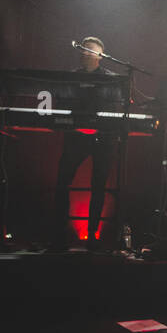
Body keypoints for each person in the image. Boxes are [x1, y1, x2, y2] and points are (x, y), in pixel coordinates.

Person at [50, 37, 119, 251]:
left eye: (90, 49)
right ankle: (59, 236)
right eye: (83, 49)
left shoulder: (112, 79)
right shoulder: (71, 77)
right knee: (62, 182)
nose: (85, 52)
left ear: (100, 55)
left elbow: (116, 107)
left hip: (103, 137)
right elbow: (59, 99)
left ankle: (92, 238)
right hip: (76, 136)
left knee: (99, 186)